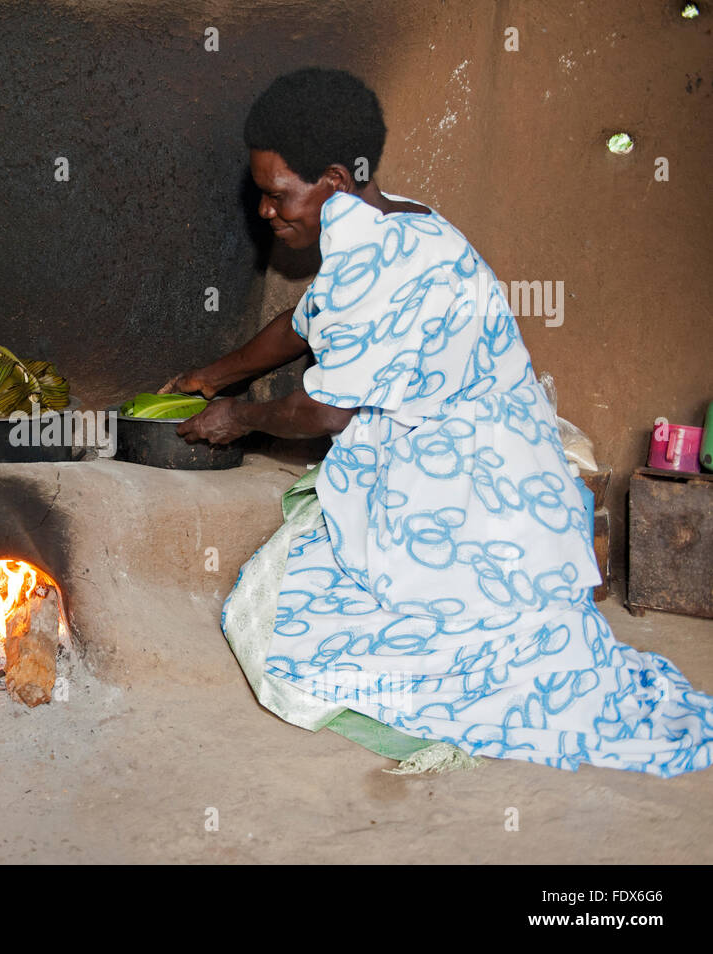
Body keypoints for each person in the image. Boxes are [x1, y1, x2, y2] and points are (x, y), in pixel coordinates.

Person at [162, 67, 713, 776]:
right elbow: (302, 323)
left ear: (333, 177)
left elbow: (324, 412)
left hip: (478, 497)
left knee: (301, 626)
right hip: (517, 478)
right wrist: (212, 374)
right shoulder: (400, 218)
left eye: (277, 193)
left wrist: (236, 416)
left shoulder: (375, 256)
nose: (267, 211)